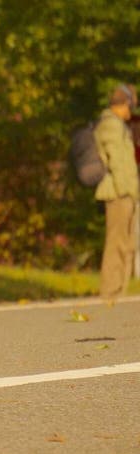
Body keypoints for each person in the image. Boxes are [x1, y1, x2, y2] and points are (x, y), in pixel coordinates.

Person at [95, 84, 140, 299]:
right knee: (117, 243)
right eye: (129, 106)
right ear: (121, 104)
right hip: (118, 194)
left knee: (127, 243)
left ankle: (119, 291)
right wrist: (127, 192)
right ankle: (110, 292)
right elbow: (118, 162)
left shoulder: (118, 125)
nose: (130, 112)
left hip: (126, 193)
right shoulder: (110, 125)